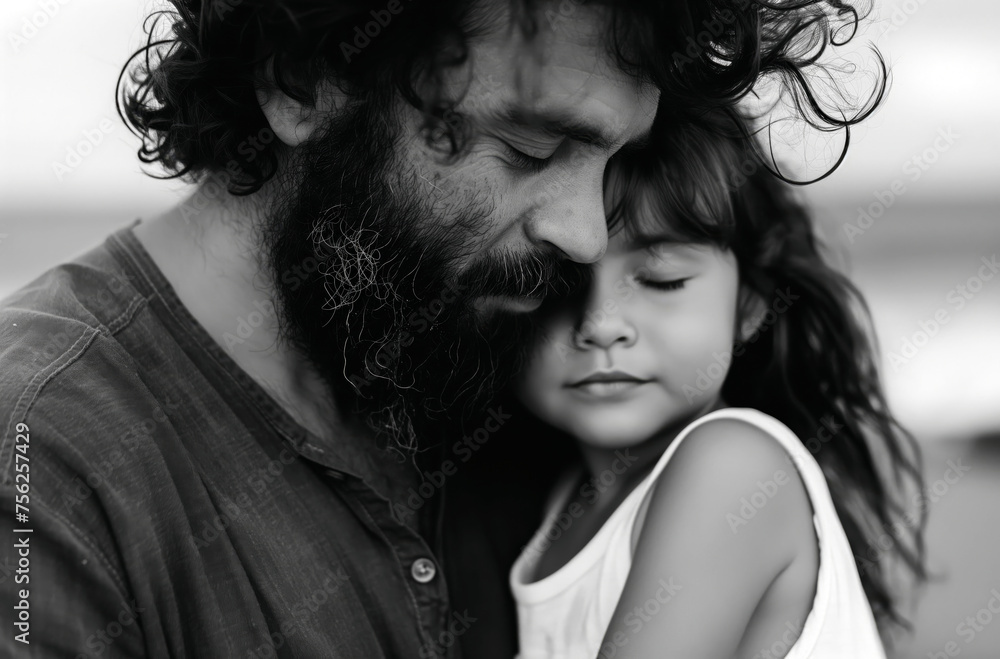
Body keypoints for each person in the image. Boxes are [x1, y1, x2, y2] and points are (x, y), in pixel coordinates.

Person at [0, 1, 886, 657]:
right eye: (531, 151)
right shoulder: (44, 451)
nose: (583, 236)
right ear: (302, 83)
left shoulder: (496, 364)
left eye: (610, 162)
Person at [505, 111, 927, 659]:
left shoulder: (732, 466)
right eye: (555, 286)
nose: (602, 324)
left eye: (662, 280)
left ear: (748, 306)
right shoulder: (559, 504)